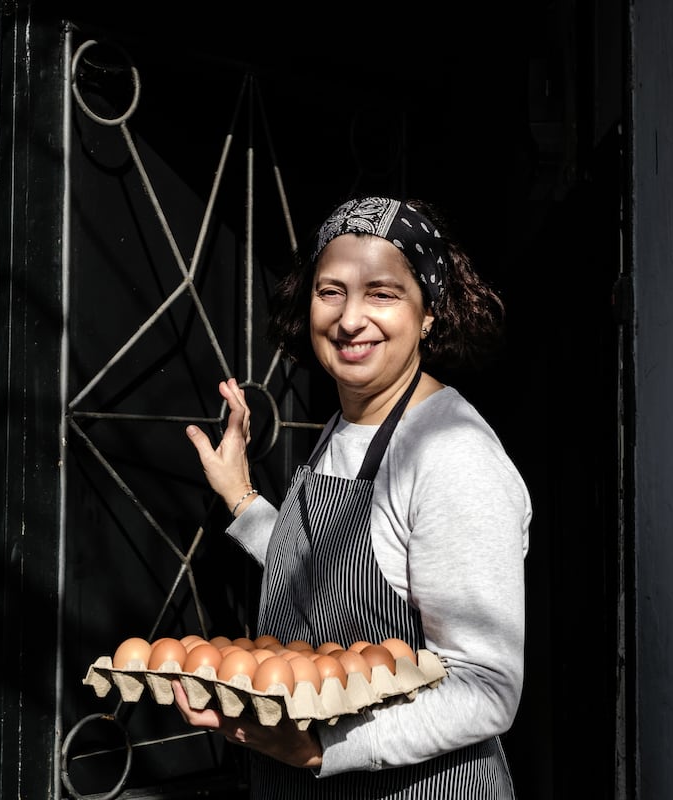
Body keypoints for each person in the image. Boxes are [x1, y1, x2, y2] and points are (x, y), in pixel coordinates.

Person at [175, 195, 532, 798]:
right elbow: (331, 574)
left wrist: (321, 748)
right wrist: (242, 499)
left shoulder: (450, 453)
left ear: (430, 314)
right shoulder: (347, 425)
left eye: (383, 294)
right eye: (331, 290)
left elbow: (486, 687)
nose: (349, 319)